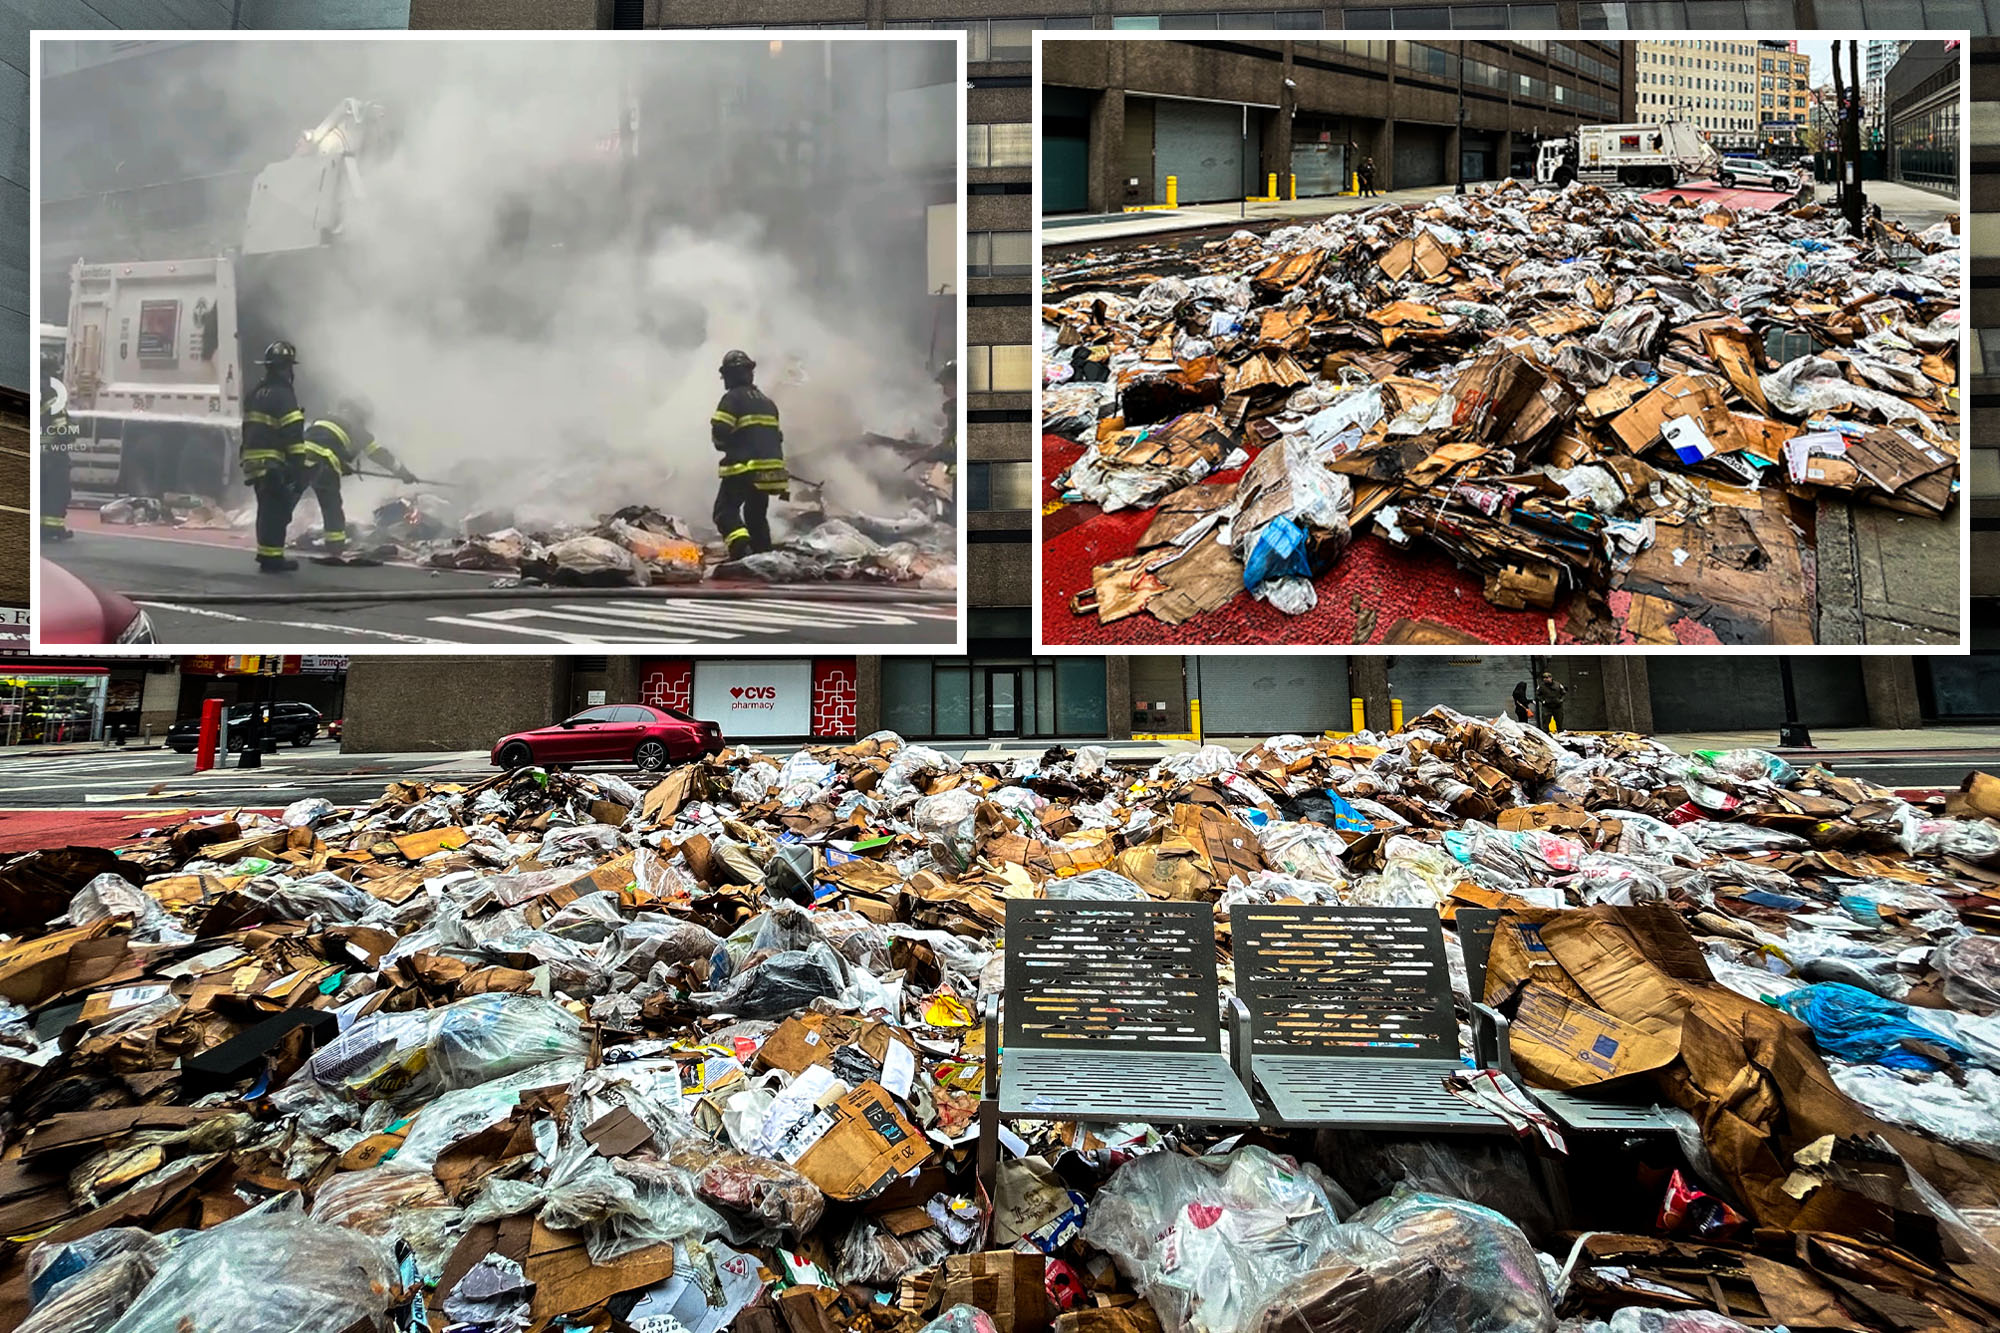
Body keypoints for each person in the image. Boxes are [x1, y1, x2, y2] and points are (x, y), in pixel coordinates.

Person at [293, 397, 417, 557]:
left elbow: (325, 442)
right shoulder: (358, 430)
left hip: (298, 459)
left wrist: (343, 465)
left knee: (289, 500)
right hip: (323, 463)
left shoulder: (323, 419)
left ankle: (274, 540)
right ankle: (335, 548)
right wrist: (403, 473)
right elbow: (380, 455)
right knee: (331, 506)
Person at [710, 350, 788, 560]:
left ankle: (741, 550)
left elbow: (720, 432)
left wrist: (727, 446)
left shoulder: (732, 399)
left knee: (724, 513)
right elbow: (776, 437)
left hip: (743, 469)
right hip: (769, 473)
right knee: (756, 517)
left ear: (729, 375)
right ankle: (763, 556)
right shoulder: (768, 403)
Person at [241, 341, 306, 573]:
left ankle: (267, 554)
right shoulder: (283, 395)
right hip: (272, 463)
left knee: (266, 509)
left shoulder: (255, 392)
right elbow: (292, 432)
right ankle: (272, 559)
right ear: (286, 368)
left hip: (254, 461)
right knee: (276, 511)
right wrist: (298, 465)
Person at [39, 346, 75, 543]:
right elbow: (60, 424)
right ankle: (52, 528)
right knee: (57, 490)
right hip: (51, 453)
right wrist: (72, 431)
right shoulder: (50, 390)